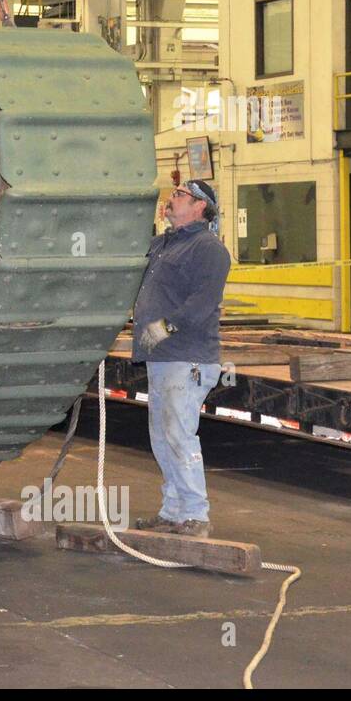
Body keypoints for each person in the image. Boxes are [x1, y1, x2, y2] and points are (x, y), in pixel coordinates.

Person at [129, 178, 230, 539]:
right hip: (161, 358)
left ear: (200, 206)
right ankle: (173, 512)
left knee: (178, 434)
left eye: (179, 195)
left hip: (187, 358)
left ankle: (195, 513)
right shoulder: (163, 244)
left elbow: (201, 306)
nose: (171, 199)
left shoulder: (208, 249)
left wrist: (163, 328)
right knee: (162, 437)